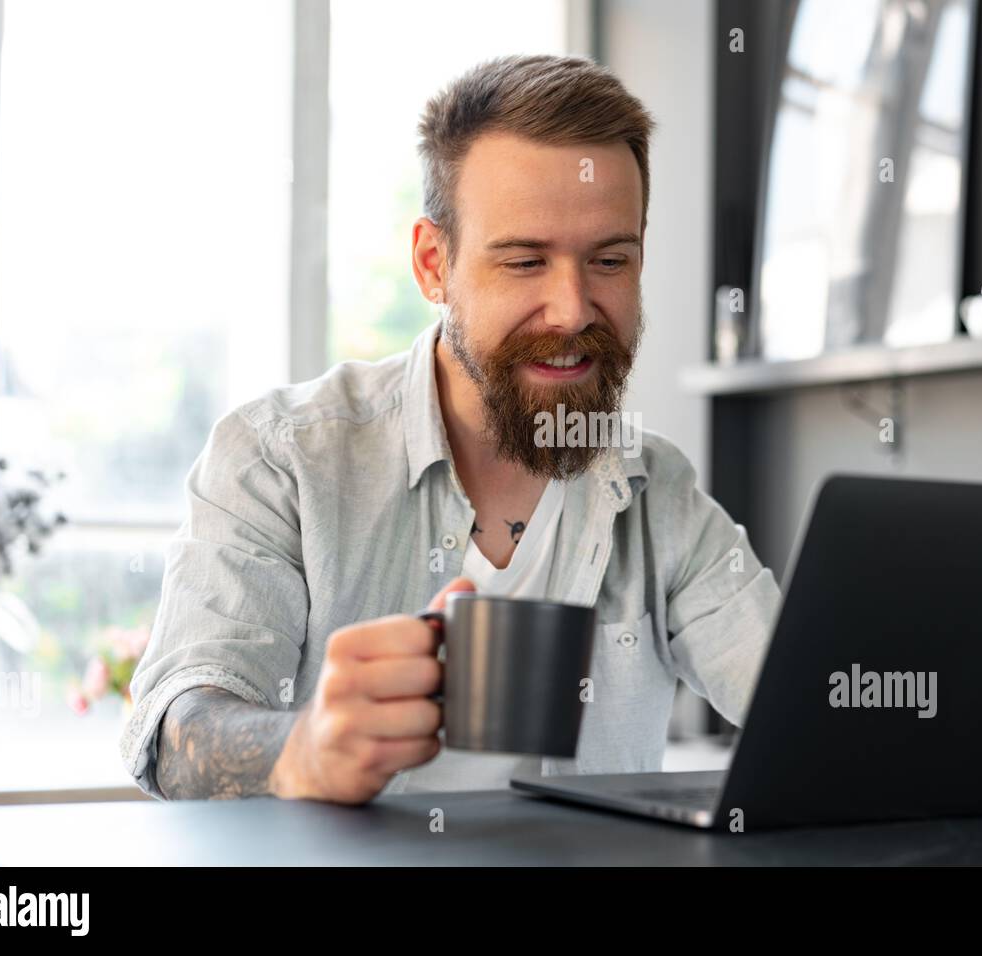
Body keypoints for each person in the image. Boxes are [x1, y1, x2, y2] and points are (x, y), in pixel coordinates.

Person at [120, 54, 778, 803]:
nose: (572, 308)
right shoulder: (281, 459)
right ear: (434, 265)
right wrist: (301, 750)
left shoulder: (658, 494)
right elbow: (179, 733)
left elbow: (800, 707)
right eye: (526, 261)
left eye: (609, 259)